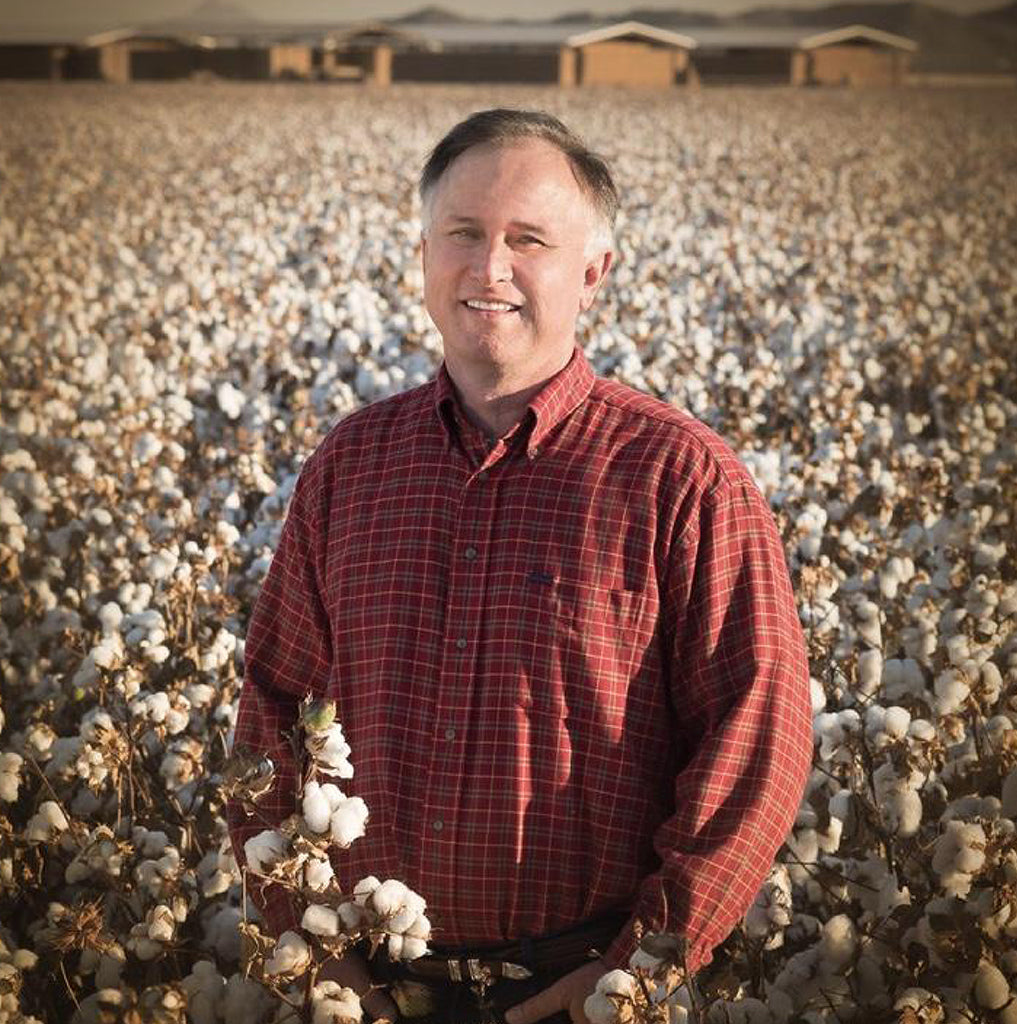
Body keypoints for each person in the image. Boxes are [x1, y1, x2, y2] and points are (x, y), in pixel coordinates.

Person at [228, 108, 812, 1024]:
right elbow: (271, 710)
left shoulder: (683, 478)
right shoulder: (351, 466)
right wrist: (314, 955)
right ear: (424, 255)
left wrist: (638, 970)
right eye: (463, 233)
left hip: (586, 988)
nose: (489, 268)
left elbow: (756, 743)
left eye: (527, 240)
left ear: (594, 273)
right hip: (366, 986)